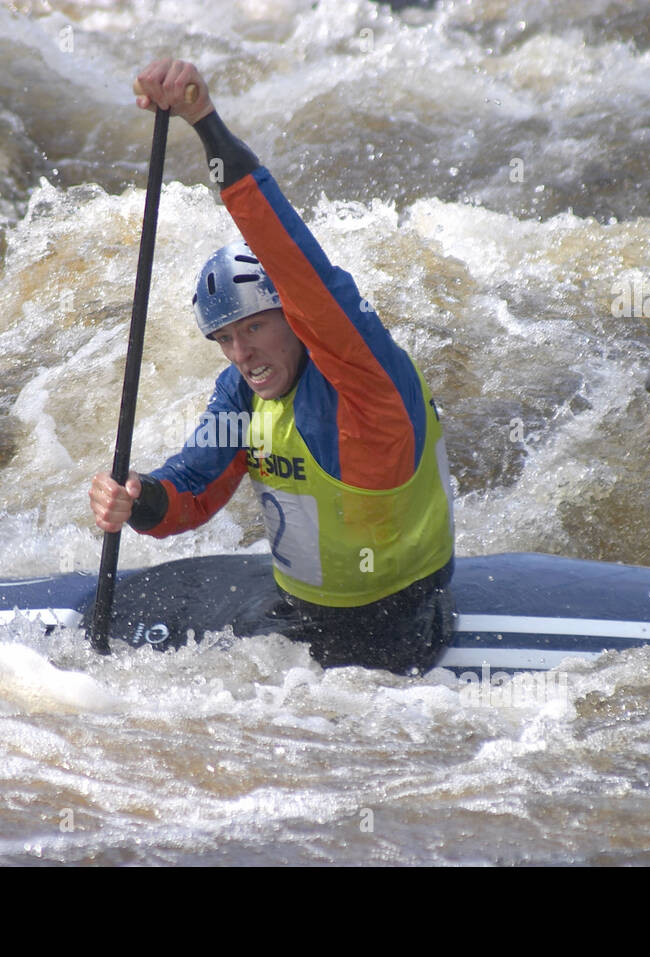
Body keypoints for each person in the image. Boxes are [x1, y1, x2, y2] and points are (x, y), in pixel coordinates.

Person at [89, 58, 455, 674]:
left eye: (256, 327)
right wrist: (137, 498)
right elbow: (193, 485)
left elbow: (303, 268)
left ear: (295, 318)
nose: (242, 354)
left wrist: (204, 122)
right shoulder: (242, 393)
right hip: (303, 612)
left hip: (400, 620)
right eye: (225, 339)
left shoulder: (366, 387)